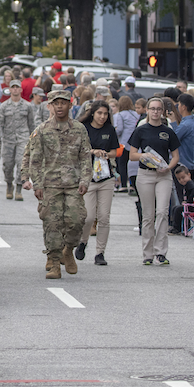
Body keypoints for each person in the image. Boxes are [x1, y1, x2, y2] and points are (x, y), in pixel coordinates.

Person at [23, 90, 92, 279]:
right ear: (50, 106)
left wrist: (85, 180)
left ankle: (68, 249)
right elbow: (35, 159)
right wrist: (36, 184)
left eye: (63, 103)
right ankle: (54, 263)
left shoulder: (79, 129)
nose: (60, 106)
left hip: (73, 184)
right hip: (50, 185)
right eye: (56, 103)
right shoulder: (43, 129)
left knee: (77, 220)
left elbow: (86, 157)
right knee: (51, 225)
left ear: (70, 105)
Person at [129, 96, 180, 265]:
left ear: (163, 111)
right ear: (148, 110)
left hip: (163, 175)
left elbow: (175, 156)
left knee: (162, 212)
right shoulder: (141, 130)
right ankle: (148, 253)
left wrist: (168, 167)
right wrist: (145, 155)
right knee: (148, 215)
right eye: (153, 109)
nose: (156, 112)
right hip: (145, 175)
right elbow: (132, 155)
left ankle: (161, 252)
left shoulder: (168, 131)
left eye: (159, 109)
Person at [75, 101, 120, 266]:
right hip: (88, 177)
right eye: (99, 113)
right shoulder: (83, 128)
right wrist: (93, 151)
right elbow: (76, 150)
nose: (102, 117)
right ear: (92, 113)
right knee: (88, 217)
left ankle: (100, 252)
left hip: (106, 177)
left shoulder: (110, 130)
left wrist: (107, 154)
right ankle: (83, 242)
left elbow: (115, 151)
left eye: (105, 114)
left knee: (104, 217)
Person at [0, 80, 34, 201]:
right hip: (8, 139)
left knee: (21, 164)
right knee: (7, 165)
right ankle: (9, 185)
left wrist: (31, 139)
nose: (15, 90)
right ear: (10, 90)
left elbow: (31, 124)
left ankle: (18, 188)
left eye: (17, 87)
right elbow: (0, 124)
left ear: (20, 89)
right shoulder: (3, 106)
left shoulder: (27, 106)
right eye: (13, 87)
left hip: (22, 138)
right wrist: (2, 138)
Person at [113, 96, 139, 193]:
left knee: (122, 164)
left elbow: (119, 130)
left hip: (123, 142)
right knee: (132, 163)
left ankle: (123, 184)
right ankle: (132, 184)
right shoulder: (136, 114)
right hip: (134, 142)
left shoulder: (121, 115)